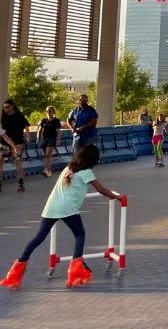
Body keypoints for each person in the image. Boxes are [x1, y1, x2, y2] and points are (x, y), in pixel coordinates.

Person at [0, 145, 123, 289]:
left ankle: (15, 272)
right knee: (79, 234)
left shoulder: (68, 168)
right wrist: (118, 197)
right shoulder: (86, 172)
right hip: (67, 208)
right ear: (92, 160)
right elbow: (101, 190)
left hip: (51, 207)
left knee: (38, 238)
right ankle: (75, 267)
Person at [2, 99, 30, 192]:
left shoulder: (18, 115)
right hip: (5, 142)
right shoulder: (4, 115)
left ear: (12, 106)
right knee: (0, 162)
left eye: (8, 107)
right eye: (4, 107)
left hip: (17, 142)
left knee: (17, 162)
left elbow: (26, 126)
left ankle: (20, 184)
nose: (6, 109)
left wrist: (28, 136)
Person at [36, 106, 62, 178]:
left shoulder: (56, 120)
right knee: (47, 156)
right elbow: (40, 130)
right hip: (44, 138)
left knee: (48, 155)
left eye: (50, 111)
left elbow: (59, 131)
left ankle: (45, 170)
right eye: (47, 111)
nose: (48, 112)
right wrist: (38, 138)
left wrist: (58, 139)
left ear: (53, 112)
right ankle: (49, 171)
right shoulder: (43, 120)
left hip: (52, 138)